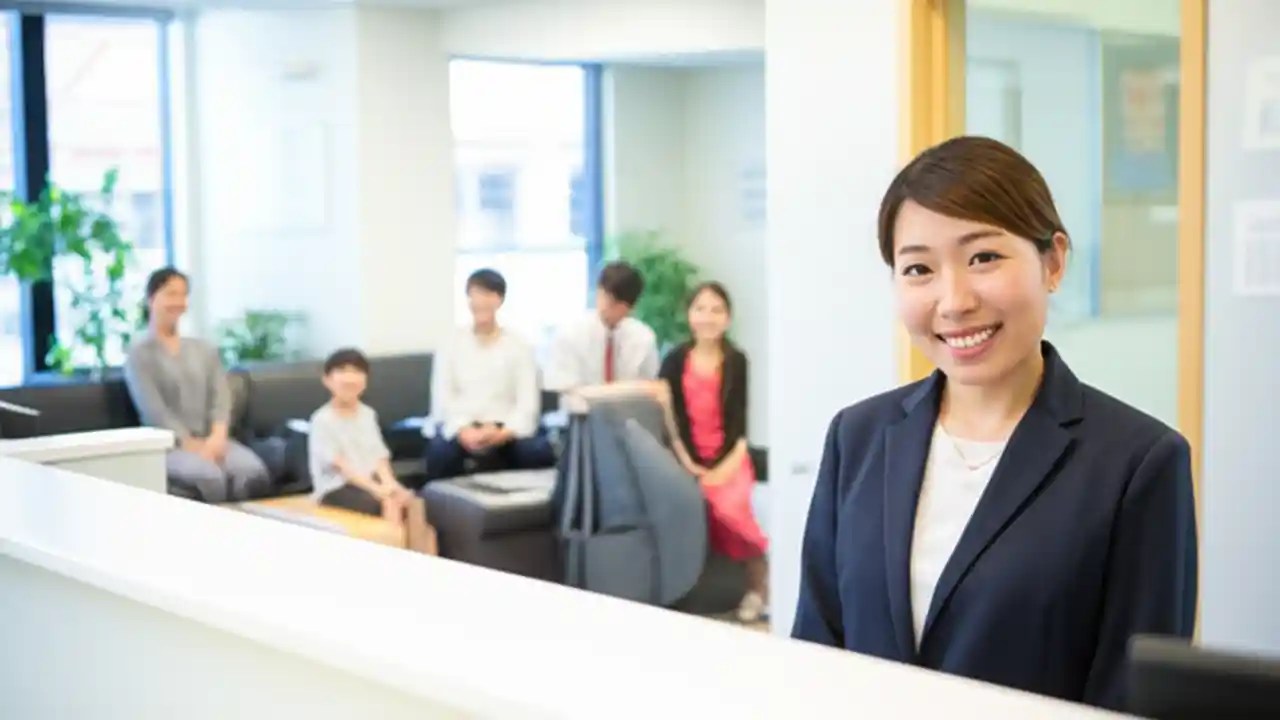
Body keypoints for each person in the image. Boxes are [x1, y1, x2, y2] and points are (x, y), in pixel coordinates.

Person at [791, 136, 1197, 710]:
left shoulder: (1138, 463)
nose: (954, 301)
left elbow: (1132, 700)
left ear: (1052, 262)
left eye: (983, 257)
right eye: (918, 269)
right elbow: (814, 655)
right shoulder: (857, 438)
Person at [657, 282, 769, 623]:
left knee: (734, 512)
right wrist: (690, 464)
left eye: (716, 309)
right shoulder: (675, 360)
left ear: (728, 318)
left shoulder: (736, 361)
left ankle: (760, 587)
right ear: (690, 316)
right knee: (698, 509)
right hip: (686, 460)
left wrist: (724, 469)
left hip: (731, 458)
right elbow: (670, 420)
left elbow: (739, 424)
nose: (708, 317)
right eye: (701, 309)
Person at [124, 267, 271, 502]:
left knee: (251, 471)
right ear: (151, 299)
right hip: (169, 446)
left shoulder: (203, 349)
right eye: (171, 294)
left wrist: (218, 435)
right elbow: (153, 410)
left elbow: (220, 396)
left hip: (214, 438)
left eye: (183, 295)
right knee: (209, 476)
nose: (178, 302)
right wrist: (189, 443)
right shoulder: (139, 354)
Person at [425, 269, 555, 481]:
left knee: (536, 452)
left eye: (488, 295)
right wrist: (464, 430)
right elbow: (443, 397)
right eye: (475, 294)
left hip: (506, 428)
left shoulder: (519, 345)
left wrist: (502, 433)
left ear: (499, 299)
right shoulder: (450, 344)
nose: (481, 302)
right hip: (463, 427)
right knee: (440, 454)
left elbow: (527, 403)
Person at [309, 348, 437, 555]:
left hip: (368, 484)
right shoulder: (322, 419)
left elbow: (379, 457)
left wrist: (390, 484)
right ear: (327, 380)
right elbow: (341, 466)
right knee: (389, 504)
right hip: (336, 487)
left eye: (356, 371)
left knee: (414, 503)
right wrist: (377, 490)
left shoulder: (368, 414)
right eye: (342, 371)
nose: (350, 378)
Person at [545, 261, 660, 392]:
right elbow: (561, 385)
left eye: (614, 303)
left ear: (630, 307)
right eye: (603, 296)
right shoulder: (570, 333)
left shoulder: (643, 338)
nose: (605, 306)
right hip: (581, 410)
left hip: (627, 409)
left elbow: (649, 386)